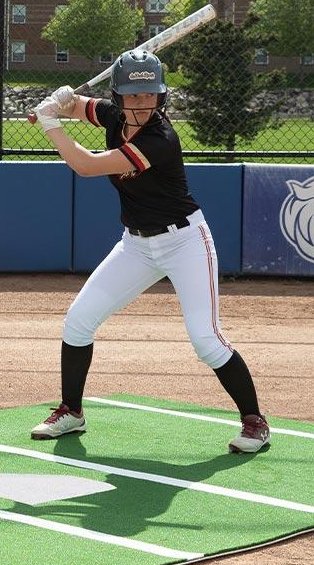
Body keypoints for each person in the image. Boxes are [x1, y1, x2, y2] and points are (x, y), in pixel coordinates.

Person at [29, 49, 270, 454]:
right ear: (119, 97)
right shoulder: (113, 114)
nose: (141, 104)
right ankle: (71, 411)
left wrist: (51, 124)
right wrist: (62, 102)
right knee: (78, 322)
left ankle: (255, 422)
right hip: (137, 245)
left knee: (206, 340)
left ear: (160, 97)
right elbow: (81, 108)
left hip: (186, 242)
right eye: (133, 96)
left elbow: (87, 166)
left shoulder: (160, 139)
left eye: (149, 96)